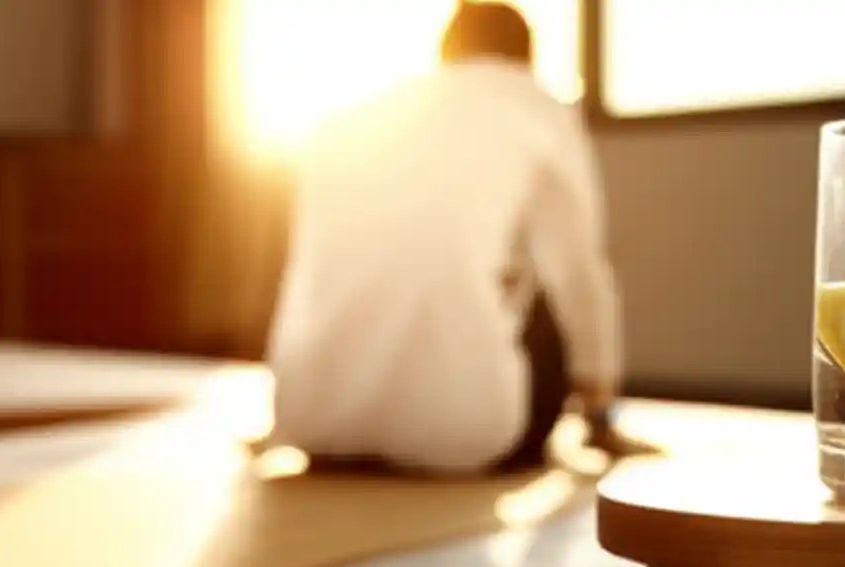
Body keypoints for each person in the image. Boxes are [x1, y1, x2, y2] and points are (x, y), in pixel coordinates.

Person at [266, 2, 636, 473]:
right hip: (466, 436)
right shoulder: (537, 105)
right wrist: (601, 417)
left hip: (310, 423)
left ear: (445, 54)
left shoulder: (353, 117)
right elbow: (579, 273)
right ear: (526, 57)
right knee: (538, 289)